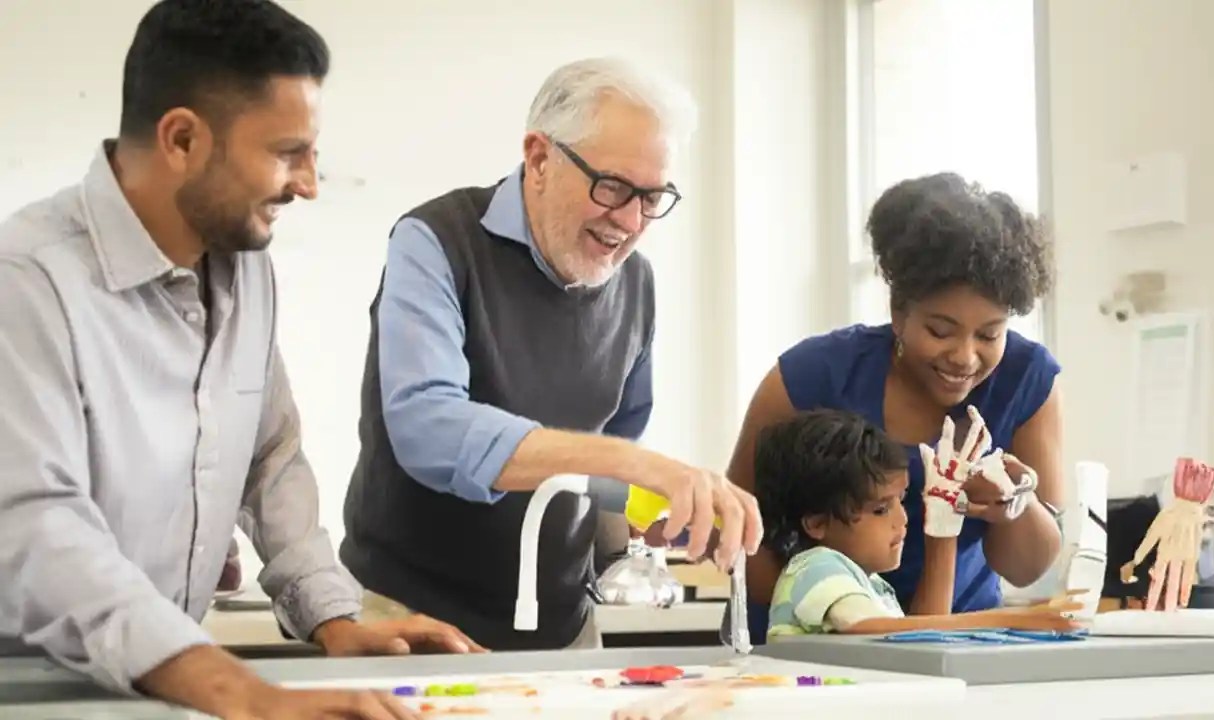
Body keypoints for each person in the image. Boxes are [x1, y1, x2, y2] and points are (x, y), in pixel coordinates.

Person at [0, 2, 481, 718]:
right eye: (289, 151)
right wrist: (244, 694)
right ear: (183, 139)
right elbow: (39, 531)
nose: (310, 183)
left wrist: (336, 621)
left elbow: (268, 456)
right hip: (37, 698)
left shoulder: (243, 267)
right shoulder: (28, 284)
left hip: (169, 696)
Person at [341, 57, 762, 652]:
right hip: (413, 615)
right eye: (612, 187)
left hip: (561, 625)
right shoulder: (436, 241)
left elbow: (609, 468)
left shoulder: (636, 284)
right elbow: (427, 428)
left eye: (652, 197)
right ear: (539, 158)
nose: (630, 220)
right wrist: (635, 467)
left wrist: (660, 520)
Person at [727, 172, 1063, 643]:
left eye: (989, 334)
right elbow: (740, 530)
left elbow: (1029, 568)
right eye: (941, 331)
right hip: (824, 650)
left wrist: (1013, 505)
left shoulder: (1026, 379)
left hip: (954, 636)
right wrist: (810, 599)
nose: (965, 357)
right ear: (899, 311)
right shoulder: (812, 376)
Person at [756, 410, 1080, 637]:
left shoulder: (872, 586)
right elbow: (868, 628)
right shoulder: (815, 567)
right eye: (881, 509)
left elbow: (922, 638)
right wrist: (1019, 619)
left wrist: (944, 527)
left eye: (902, 499)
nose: (902, 518)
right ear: (816, 523)